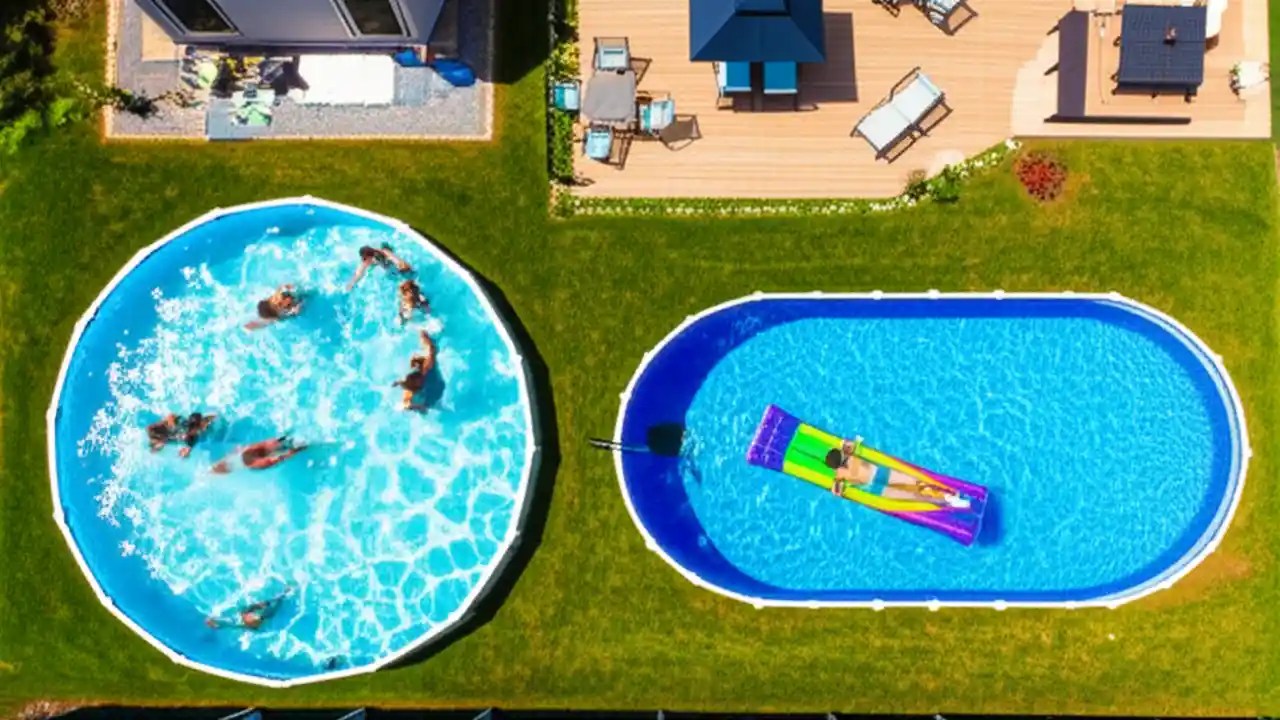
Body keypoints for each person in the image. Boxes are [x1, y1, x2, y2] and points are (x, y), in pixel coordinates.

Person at [825, 441, 967, 508]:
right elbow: (851, 444)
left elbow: (837, 490)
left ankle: (946, 502)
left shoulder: (839, 474)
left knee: (914, 497)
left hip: (875, 487)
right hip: (881, 473)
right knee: (915, 484)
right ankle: (947, 496)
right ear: (841, 454)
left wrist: (836, 490)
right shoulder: (851, 455)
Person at [211, 435, 307, 474]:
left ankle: (291, 444)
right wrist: (297, 451)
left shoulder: (251, 450)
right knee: (277, 455)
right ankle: (296, 446)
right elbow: (279, 458)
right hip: (247, 460)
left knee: (276, 445)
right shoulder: (258, 462)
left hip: (244, 456)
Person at [205, 588, 292, 630]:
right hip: (251, 620)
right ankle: (283, 594)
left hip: (249, 618)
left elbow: (223, 624)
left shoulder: (243, 617)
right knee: (269, 610)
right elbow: (223, 624)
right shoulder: (242, 621)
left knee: (268, 607)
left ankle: (283, 594)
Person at [392, 330, 437, 411]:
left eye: (420, 380)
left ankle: (422, 331)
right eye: (419, 382)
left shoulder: (424, 369)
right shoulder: (409, 388)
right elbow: (405, 404)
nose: (421, 381)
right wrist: (417, 407)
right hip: (415, 368)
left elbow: (432, 351)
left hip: (419, 363)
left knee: (431, 350)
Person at [148, 412, 216, 458]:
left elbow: (188, 449)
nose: (202, 429)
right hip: (169, 433)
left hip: (174, 436)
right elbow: (171, 416)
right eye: (200, 428)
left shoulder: (193, 437)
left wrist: (185, 453)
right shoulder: (182, 423)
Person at [347, 244, 412, 290]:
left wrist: (404, 267)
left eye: (365, 258)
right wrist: (351, 284)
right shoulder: (366, 261)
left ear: (370, 257)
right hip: (379, 260)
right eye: (363, 258)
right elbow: (358, 274)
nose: (363, 260)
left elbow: (397, 260)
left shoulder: (383, 252)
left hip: (385, 257)